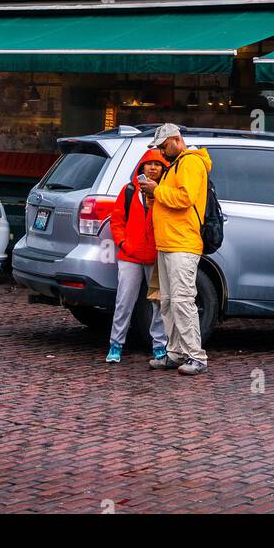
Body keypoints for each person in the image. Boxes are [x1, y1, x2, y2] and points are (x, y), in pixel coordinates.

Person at [139, 122, 212, 376]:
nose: (161, 151)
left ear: (176, 140)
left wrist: (157, 190)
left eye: (163, 146)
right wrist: (153, 194)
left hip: (182, 243)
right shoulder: (177, 165)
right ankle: (175, 352)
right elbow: (168, 202)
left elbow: (185, 198)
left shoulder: (190, 163)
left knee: (181, 301)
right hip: (170, 243)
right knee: (168, 302)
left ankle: (196, 356)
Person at [105, 147, 169, 368]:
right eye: (149, 164)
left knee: (158, 303)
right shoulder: (129, 190)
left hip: (155, 255)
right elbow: (117, 221)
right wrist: (123, 243)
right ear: (142, 167)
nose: (153, 168)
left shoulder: (165, 192)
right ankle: (116, 344)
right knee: (124, 301)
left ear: (163, 169)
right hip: (130, 255)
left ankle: (159, 346)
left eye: (158, 164)